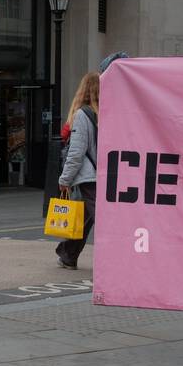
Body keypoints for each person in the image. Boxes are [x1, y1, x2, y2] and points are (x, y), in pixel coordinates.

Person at [55, 72, 101, 270]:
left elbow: (76, 152)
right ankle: (68, 254)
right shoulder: (107, 113)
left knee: (98, 218)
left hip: (90, 177)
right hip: (105, 174)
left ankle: (68, 253)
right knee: (87, 217)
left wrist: (65, 179)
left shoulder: (82, 115)